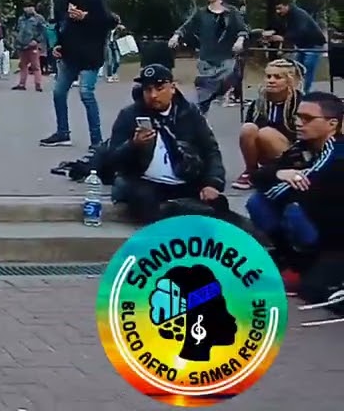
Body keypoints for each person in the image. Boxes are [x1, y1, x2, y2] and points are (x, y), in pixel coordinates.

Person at [245, 91, 343, 293]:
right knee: (257, 202)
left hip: (334, 234)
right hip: (315, 215)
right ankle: (286, 260)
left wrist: (279, 181)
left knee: (294, 210)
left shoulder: (337, 154)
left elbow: (303, 191)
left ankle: (305, 266)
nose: (299, 123)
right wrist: (281, 172)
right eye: (297, 116)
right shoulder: (302, 147)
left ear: (332, 124)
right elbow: (257, 176)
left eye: (307, 119)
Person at [106, 64, 229, 224]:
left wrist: (212, 183)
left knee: (219, 206)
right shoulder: (129, 115)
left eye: (159, 88)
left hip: (185, 180)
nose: (153, 95)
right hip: (146, 183)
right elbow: (111, 161)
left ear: (172, 88)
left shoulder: (189, 113)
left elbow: (210, 150)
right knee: (144, 202)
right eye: (147, 90)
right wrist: (133, 144)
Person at [40, 0, 114, 149]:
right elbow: (55, 25)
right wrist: (55, 45)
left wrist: (86, 17)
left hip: (91, 54)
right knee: (58, 92)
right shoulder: (62, 0)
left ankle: (96, 141)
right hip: (69, 55)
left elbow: (109, 21)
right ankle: (63, 133)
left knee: (86, 93)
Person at [168, 0, 248, 114]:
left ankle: (222, 95)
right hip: (207, 58)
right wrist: (176, 36)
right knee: (203, 93)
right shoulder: (201, 13)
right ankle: (200, 119)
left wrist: (240, 40)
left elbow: (243, 29)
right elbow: (186, 26)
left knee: (230, 77)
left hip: (226, 57)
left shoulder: (231, 12)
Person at [231, 59, 303, 190]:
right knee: (248, 128)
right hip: (264, 151)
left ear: (289, 80)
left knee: (265, 132)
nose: (271, 80)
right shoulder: (258, 104)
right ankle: (251, 172)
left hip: (292, 153)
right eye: (268, 76)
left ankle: (281, 171)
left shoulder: (300, 103)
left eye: (277, 77)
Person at [267, 0, 327, 92]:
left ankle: (304, 93)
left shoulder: (298, 14)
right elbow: (282, 28)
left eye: (280, 8)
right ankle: (297, 91)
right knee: (297, 69)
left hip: (313, 44)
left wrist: (283, 38)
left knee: (307, 69)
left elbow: (301, 30)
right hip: (302, 45)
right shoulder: (286, 16)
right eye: (276, 9)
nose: (278, 11)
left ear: (287, 6)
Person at [12, 2, 47, 92]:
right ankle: (21, 83)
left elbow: (43, 31)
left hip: (33, 45)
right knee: (23, 65)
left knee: (35, 66)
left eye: (30, 7)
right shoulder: (21, 19)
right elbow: (16, 30)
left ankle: (38, 84)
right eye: (27, 7)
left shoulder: (39, 18)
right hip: (21, 44)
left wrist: (37, 41)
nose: (29, 9)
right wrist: (16, 38)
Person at [103, 14, 126, 83]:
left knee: (117, 60)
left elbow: (123, 34)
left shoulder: (118, 29)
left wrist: (121, 30)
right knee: (109, 61)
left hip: (115, 44)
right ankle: (109, 75)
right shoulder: (107, 28)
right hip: (108, 44)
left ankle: (114, 73)